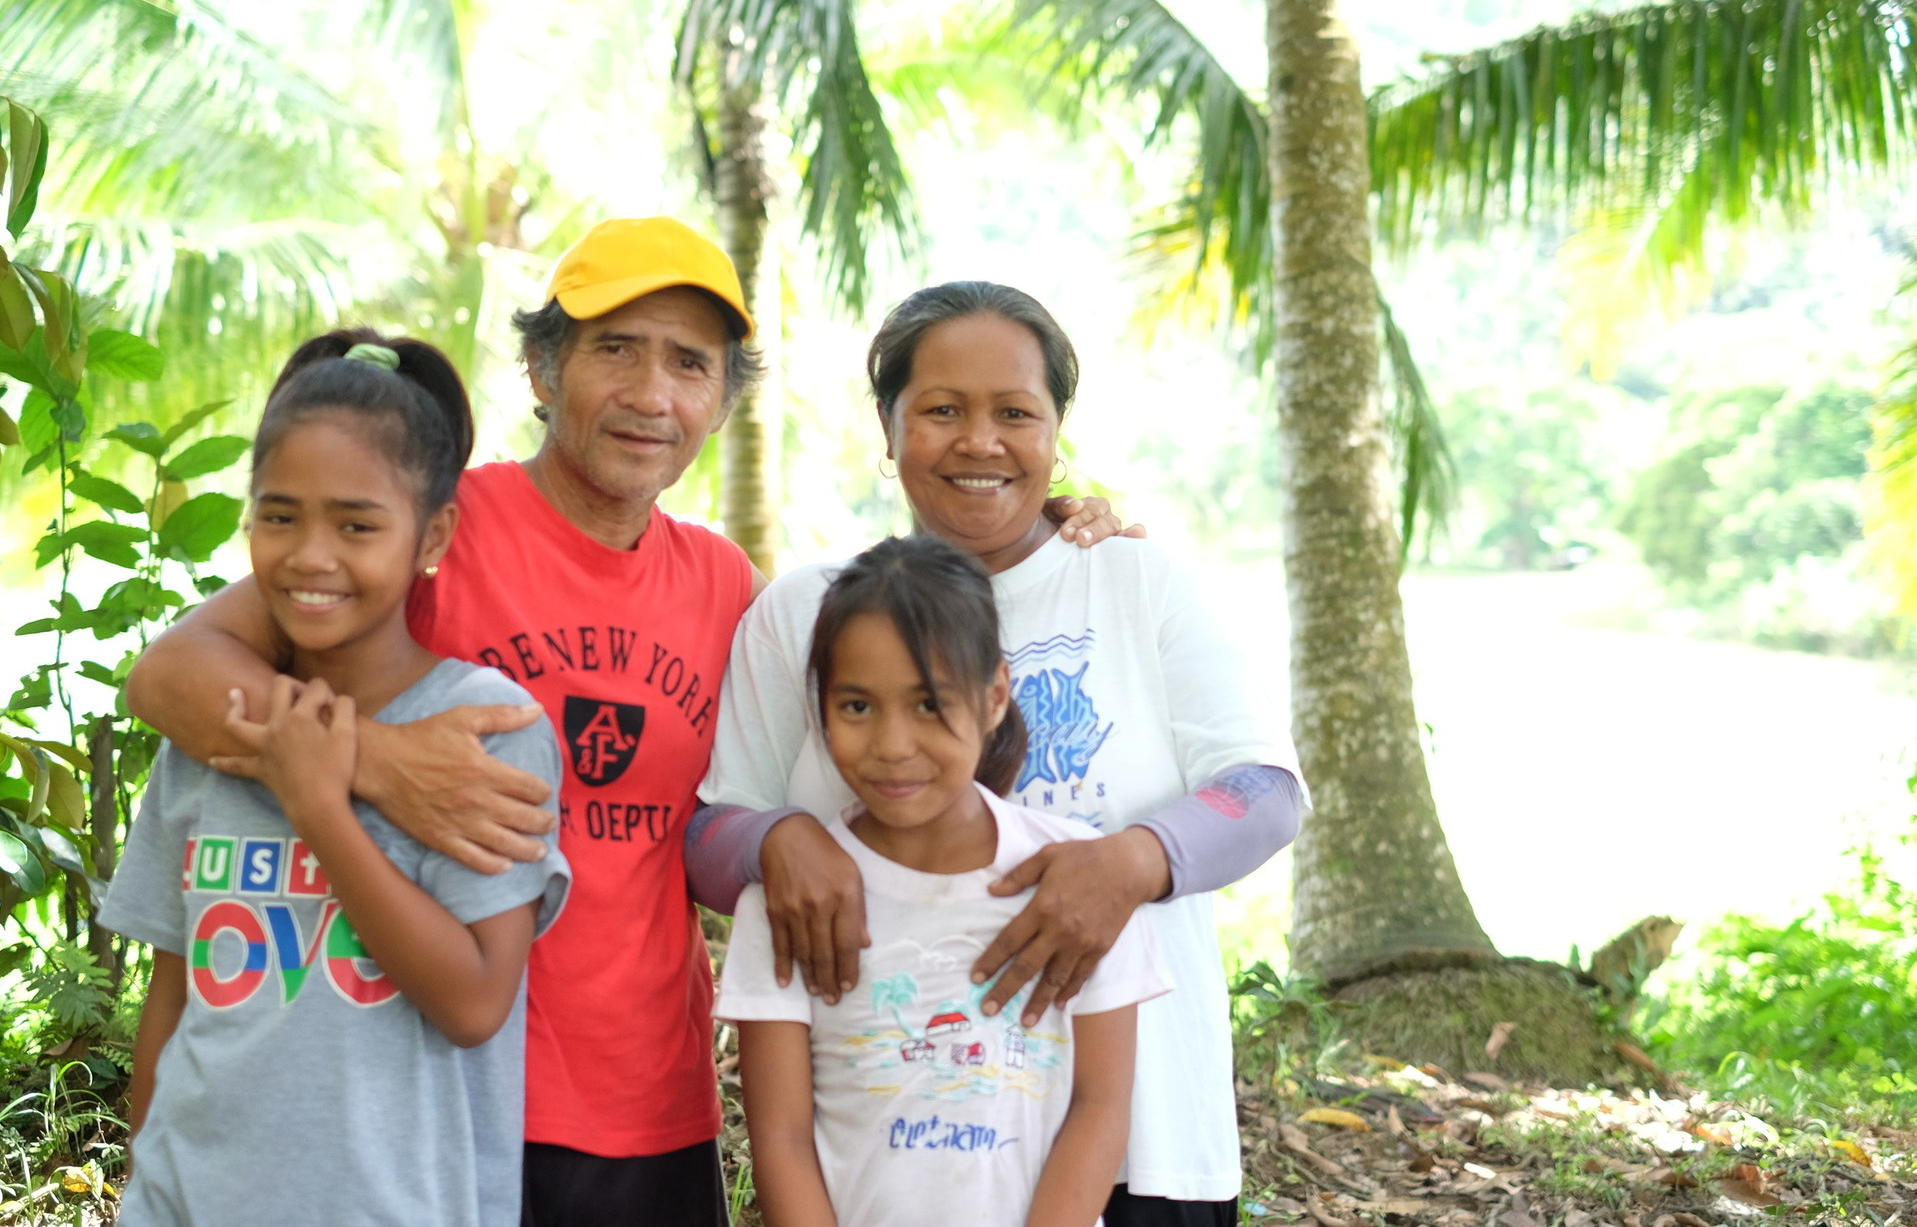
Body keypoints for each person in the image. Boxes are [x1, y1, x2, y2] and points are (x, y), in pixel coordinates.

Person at [124, 219, 1134, 1224]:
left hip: (648, 1101)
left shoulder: (724, 583)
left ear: (720, 401)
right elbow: (173, 675)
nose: (653, 394)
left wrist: (1048, 532)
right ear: (541, 366)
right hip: (439, 1086)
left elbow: (897, 666)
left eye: (690, 365)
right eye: (615, 349)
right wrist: (381, 764)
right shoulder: (432, 525)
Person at [690, 282, 1308, 1226]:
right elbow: (712, 828)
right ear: (889, 428)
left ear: (1056, 431)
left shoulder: (1135, 578)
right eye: (941, 410)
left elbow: (1265, 789)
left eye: (1015, 413)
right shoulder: (807, 609)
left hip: (1146, 1136)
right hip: (887, 1169)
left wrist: (1130, 864)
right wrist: (774, 841)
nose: (980, 441)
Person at [103, 331, 572, 1226]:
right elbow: (175, 990)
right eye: (279, 516)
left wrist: (322, 804)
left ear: (432, 535)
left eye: (356, 524)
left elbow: (475, 1001)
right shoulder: (211, 726)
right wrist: (141, 1182)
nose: (311, 555)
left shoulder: (486, 732)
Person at [718, 534, 1168, 1227]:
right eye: (858, 706)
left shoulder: (1079, 884)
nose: (894, 744)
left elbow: (1100, 1106)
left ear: (994, 696)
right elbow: (781, 1136)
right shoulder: (785, 906)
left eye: (928, 703)